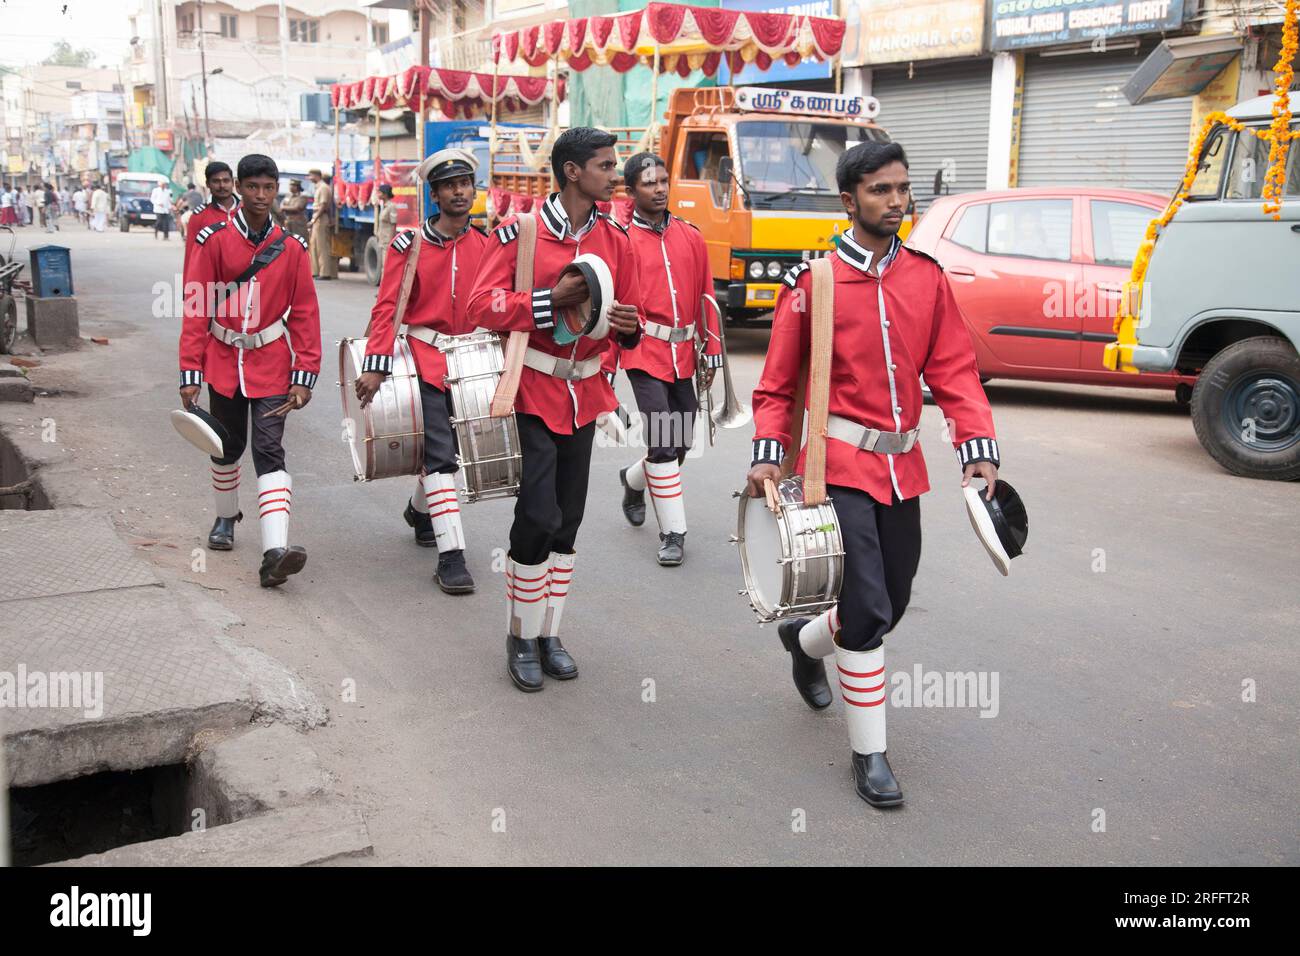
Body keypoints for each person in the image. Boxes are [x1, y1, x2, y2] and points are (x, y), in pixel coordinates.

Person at [746, 141, 1002, 809]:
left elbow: (952, 369)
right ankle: (871, 755)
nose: (896, 201)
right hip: (836, 471)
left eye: (902, 189)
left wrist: (975, 440)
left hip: (904, 468)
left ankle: (803, 644)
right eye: (881, 190)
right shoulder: (813, 284)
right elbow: (777, 385)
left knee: (893, 594)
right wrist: (770, 451)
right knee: (868, 608)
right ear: (849, 200)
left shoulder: (926, 276)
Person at [467, 127, 643, 693]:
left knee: (568, 519)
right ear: (572, 171)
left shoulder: (616, 237)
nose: (614, 174)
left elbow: (628, 314)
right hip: (532, 390)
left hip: (586, 393)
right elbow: (480, 304)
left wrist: (628, 328)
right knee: (537, 515)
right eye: (604, 165)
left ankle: (550, 633)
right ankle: (520, 634)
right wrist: (550, 301)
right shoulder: (521, 232)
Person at [179, 153, 322, 588]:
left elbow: (305, 314)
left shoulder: (293, 248)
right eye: (253, 187)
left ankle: (274, 551)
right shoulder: (213, 240)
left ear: (275, 189)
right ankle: (225, 518)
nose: (261, 196)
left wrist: (304, 374)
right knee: (226, 446)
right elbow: (196, 306)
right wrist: (190, 371)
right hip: (223, 362)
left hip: (272, 365)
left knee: (269, 449)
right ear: (239, 188)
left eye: (268, 187)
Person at [354, 150, 488, 594]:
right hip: (423, 362)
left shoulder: (486, 245)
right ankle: (452, 558)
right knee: (442, 456)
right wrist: (377, 366)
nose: (459, 192)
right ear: (434, 195)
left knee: (452, 453)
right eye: (449, 185)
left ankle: (419, 511)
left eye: (465, 183)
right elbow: (387, 308)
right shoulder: (407, 245)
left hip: (473, 366)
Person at [604, 152, 721, 566]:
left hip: (685, 355)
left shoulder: (690, 235)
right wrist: (605, 368)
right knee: (663, 442)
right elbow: (610, 307)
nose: (659, 189)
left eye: (663, 182)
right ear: (631, 190)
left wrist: (714, 353)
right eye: (649, 183)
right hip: (642, 353)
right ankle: (673, 533)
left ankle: (634, 480)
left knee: (680, 441)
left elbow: (706, 295)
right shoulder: (619, 240)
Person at [183, 162, 239, 280]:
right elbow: (190, 257)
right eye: (216, 181)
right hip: (212, 286)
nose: (222, 185)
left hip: (246, 284)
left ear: (233, 183)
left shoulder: (247, 212)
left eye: (226, 180)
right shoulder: (198, 217)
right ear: (208, 184)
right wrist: (188, 292)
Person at [308, 168, 337, 280]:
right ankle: (316, 271)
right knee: (314, 245)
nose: (310, 178)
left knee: (322, 246)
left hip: (320, 217)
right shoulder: (319, 187)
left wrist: (314, 219)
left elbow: (323, 205)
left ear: (316, 176)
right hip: (318, 217)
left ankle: (325, 273)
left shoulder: (323, 188)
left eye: (311, 176)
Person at [372, 183, 398, 274]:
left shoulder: (392, 207)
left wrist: (391, 241)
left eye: (380, 193)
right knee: (384, 265)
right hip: (383, 240)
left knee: (386, 265)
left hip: (388, 241)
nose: (378, 195)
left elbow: (393, 224)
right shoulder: (384, 206)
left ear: (385, 194)